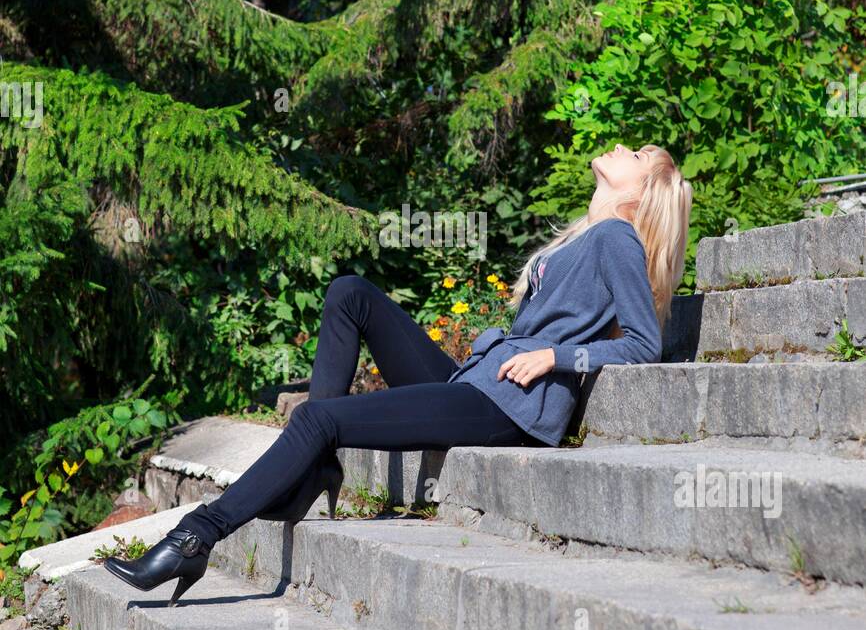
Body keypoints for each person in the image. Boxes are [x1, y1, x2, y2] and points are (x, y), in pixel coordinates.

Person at [103, 143, 692, 604]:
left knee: (318, 415)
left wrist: (557, 358)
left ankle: (193, 539)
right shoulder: (588, 237)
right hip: (476, 380)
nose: (623, 150)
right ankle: (317, 466)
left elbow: (645, 346)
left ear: (642, 195)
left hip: (506, 405)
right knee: (350, 293)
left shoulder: (617, 235)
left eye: (638, 157)